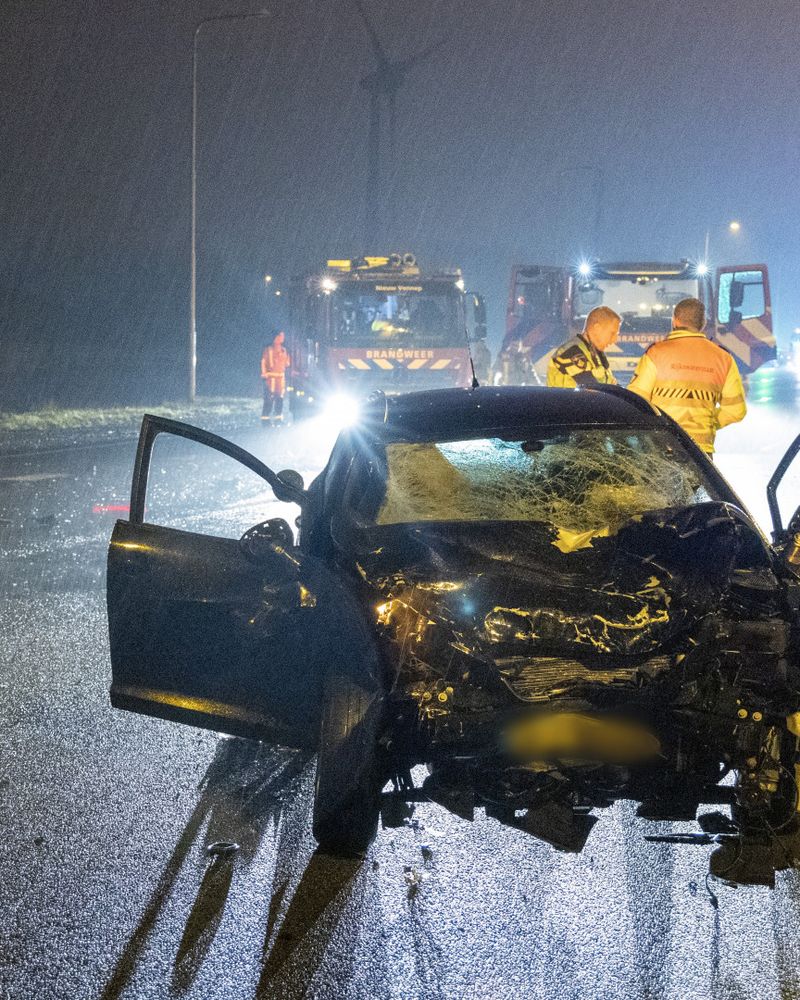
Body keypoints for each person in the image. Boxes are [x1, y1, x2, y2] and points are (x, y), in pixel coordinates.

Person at [627, 297, 746, 455]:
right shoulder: (723, 359)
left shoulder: (656, 353)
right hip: (700, 453)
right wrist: (709, 422)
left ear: (674, 320)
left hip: (661, 446)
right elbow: (736, 410)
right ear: (702, 324)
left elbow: (636, 401)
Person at [546, 306, 621, 387]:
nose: (614, 340)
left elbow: (612, 387)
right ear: (597, 328)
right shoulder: (571, 352)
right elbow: (592, 390)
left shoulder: (597, 354)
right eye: (612, 333)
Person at [260, 330, 291, 425]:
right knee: (269, 399)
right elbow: (263, 362)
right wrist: (264, 373)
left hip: (280, 379)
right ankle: (265, 421)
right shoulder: (268, 350)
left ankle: (278, 420)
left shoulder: (284, 350)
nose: (282, 338)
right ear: (276, 337)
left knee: (279, 399)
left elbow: (287, 363)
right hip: (270, 378)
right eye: (281, 336)